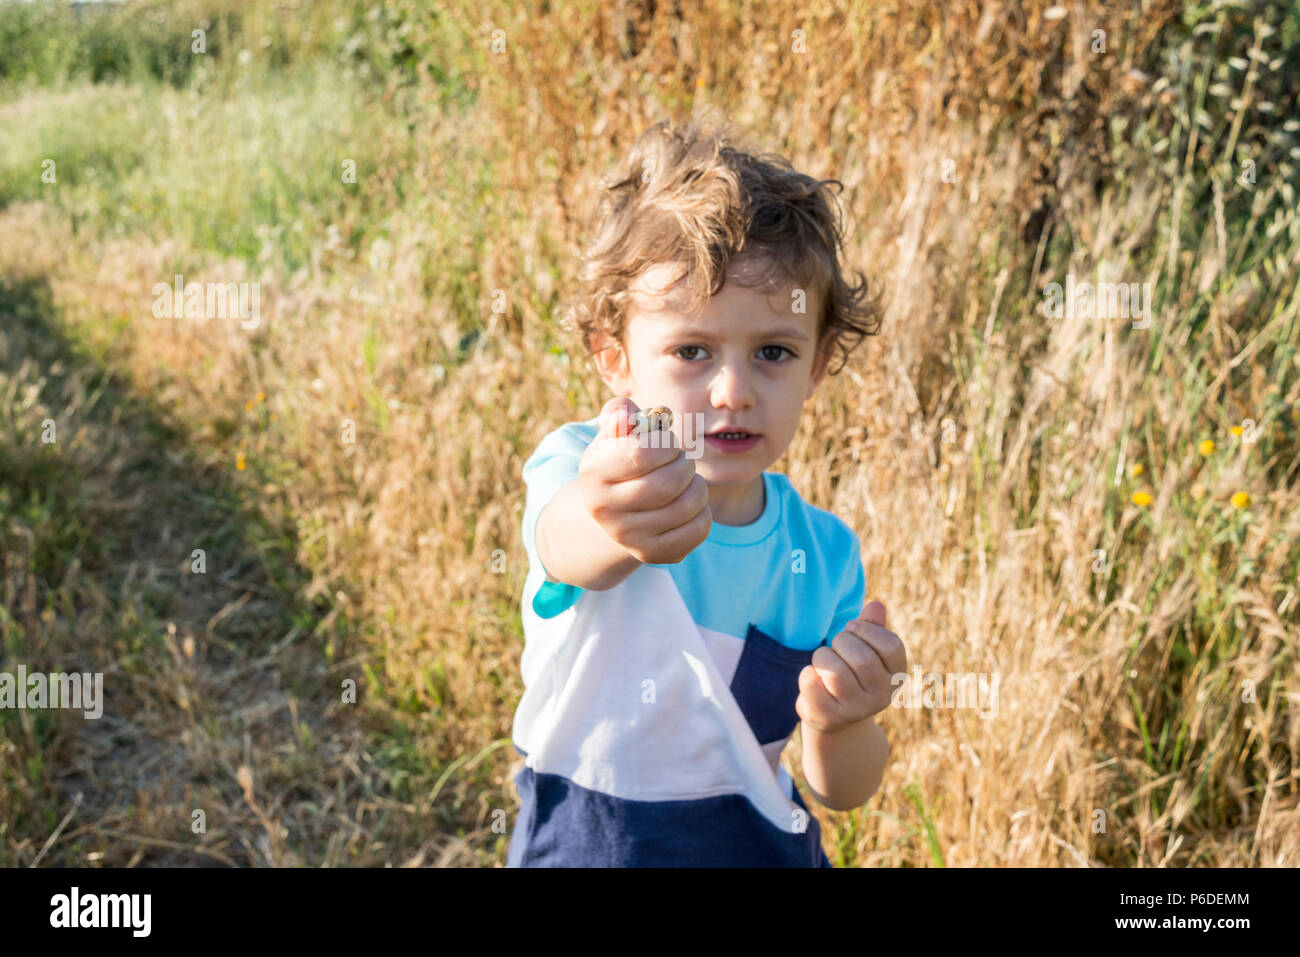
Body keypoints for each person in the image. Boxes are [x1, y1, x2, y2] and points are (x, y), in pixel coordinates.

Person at [508, 116, 907, 866]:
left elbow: (840, 789)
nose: (732, 391)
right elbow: (567, 545)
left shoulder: (821, 554)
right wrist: (610, 518)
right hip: (592, 842)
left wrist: (841, 721)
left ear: (819, 365)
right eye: (691, 350)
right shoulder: (583, 469)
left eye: (773, 352)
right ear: (615, 359)